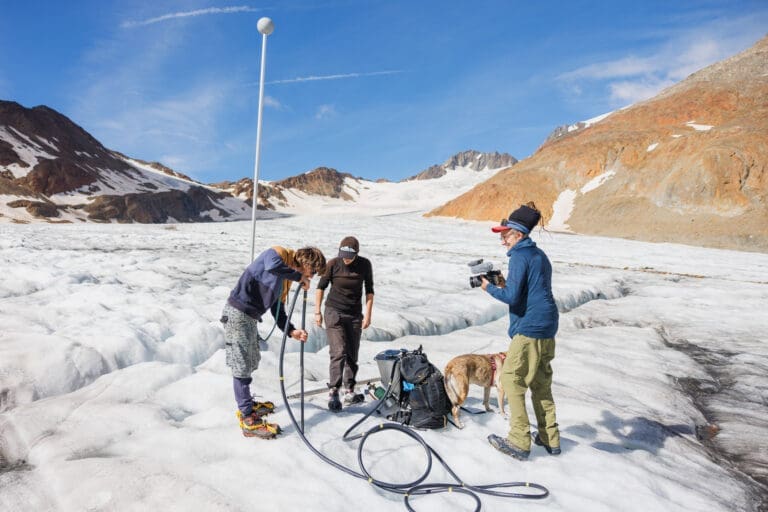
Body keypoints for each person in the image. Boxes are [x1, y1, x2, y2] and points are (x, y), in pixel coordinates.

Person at [480, 202, 561, 460]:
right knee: (540, 383)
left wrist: (488, 288)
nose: (502, 240)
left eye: (505, 234)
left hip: (530, 327)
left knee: (510, 380)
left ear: (518, 234)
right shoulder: (538, 255)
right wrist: (503, 283)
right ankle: (550, 438)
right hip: (548, 325)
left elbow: (513, 297)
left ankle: (518, 440)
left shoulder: (519, 256)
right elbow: (526, 290)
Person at [222, 245, 326, 438]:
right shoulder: (277, 254)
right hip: (237, 314)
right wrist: (298, 277)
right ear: (305, 263)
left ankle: (247, 403)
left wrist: (292, 331)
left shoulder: (285, 280)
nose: (310, 277)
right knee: (241, 365)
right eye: (311, 272)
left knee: (251, 360)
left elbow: (278, 312)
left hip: (249, 318)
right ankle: (247, 419)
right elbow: (272, 267)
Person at [315, 236, 375, 412]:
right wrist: (317, 311)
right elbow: (321, 287)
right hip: (334, 311)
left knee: (351, 353)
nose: (345, 259)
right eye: (343, 255)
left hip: (354, 314)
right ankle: (334, 390)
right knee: (338, 351)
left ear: (357, 253)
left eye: (349, 256)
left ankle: (349, 390)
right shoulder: (333, 264)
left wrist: (368, 315)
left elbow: (369, 291)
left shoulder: (365, 265)